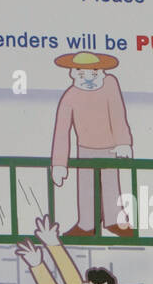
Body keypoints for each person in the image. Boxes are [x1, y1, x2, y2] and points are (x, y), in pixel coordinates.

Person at [50, 52, 135, 238]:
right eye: (82, 74)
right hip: (85, 148)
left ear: (101, 72)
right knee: (86, 186)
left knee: (111, 183)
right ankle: (87, 225)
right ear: (73, 74)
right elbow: (62, 132)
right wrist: (59, 164)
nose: (88, 78)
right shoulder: (70, 96)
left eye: (93, 73)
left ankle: (115, 220)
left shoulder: (110, 84)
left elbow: (118, 113)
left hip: (110, 147)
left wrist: (123, 142)